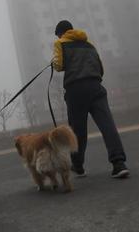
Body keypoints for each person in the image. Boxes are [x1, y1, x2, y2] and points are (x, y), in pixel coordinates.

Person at [52, 20, 130, 179]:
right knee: (107, 125)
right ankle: (119, 163)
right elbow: (100, 69)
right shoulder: (89, 45)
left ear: (61, 33)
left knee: (77, 131)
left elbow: (59, 66)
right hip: (96, 87)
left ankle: (78, 166)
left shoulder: (60, 43)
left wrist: (54, 62)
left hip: (76, 90)